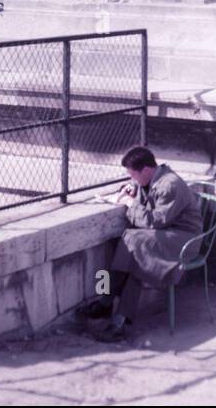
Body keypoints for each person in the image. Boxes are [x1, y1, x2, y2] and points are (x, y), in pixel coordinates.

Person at [77, 145, 203, 342]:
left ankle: (107, 303)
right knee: (132, 251)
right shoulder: (154, 177)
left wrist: (130, 203)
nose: (132, 179)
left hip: (183, 239)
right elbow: (149, 198)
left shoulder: (170, 185)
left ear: (146, 170)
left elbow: (154, 221)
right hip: (166, 234)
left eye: (133, 175)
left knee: (133, 241)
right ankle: (117, 317)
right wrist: (135, 189)